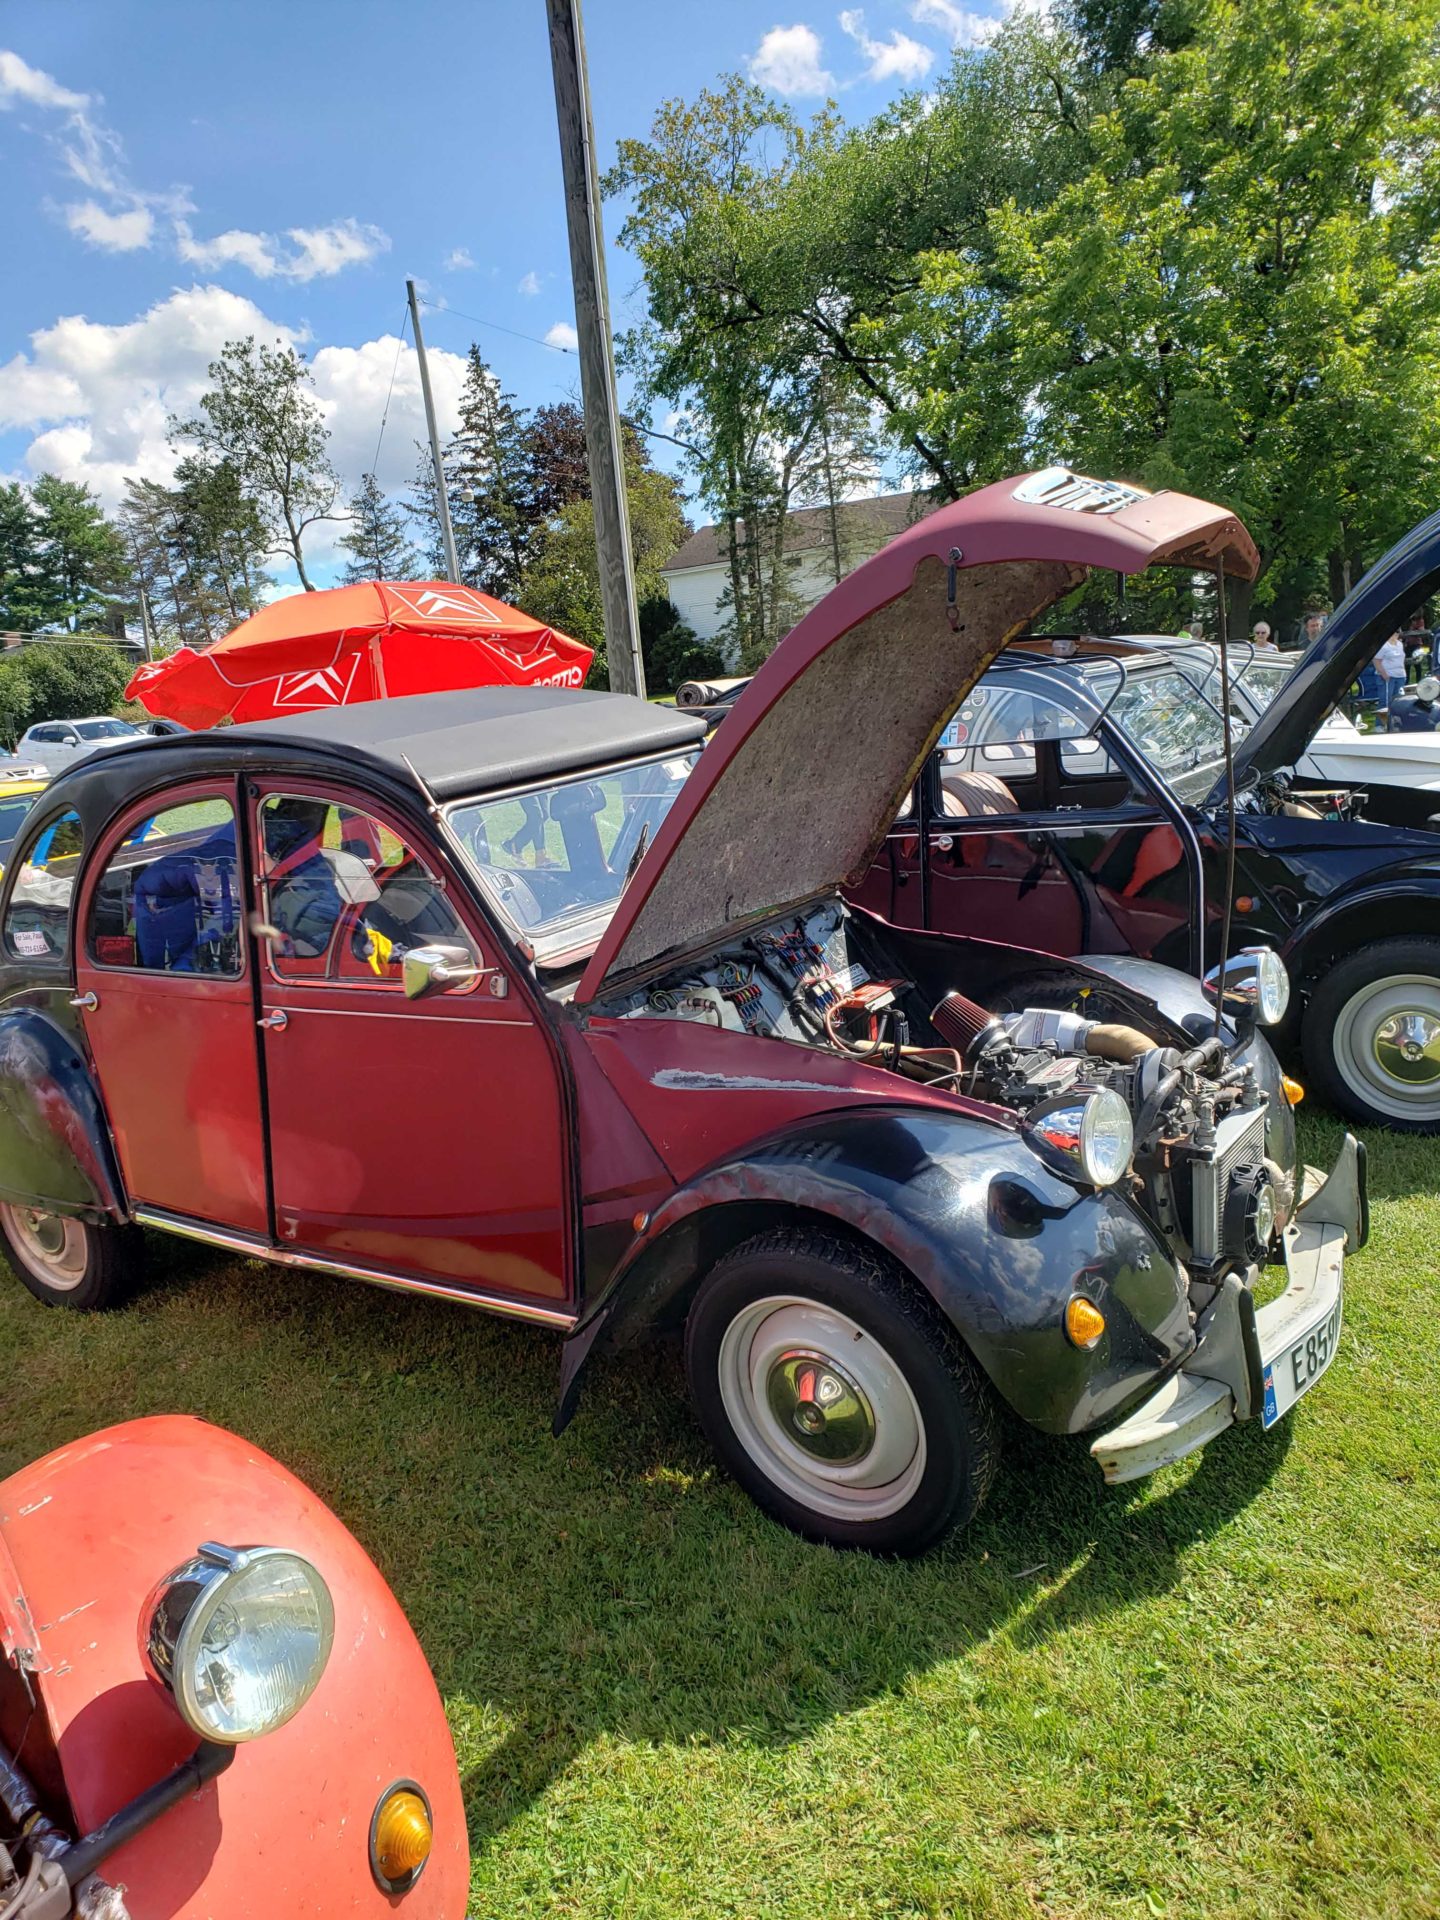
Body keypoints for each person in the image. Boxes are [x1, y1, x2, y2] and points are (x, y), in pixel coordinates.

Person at [1375, 631, 1407, 713]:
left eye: (1397, 632)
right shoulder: (1383, 645)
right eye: (1394, 632)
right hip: (1388, 676)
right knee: (1385, 702)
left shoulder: (1400, 644)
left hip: (1400, 676)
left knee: (1399, 701)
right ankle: (1380, 724)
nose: (1396, 634)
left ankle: (1395, 722)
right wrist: (1384, 674)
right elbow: (1376, 660)